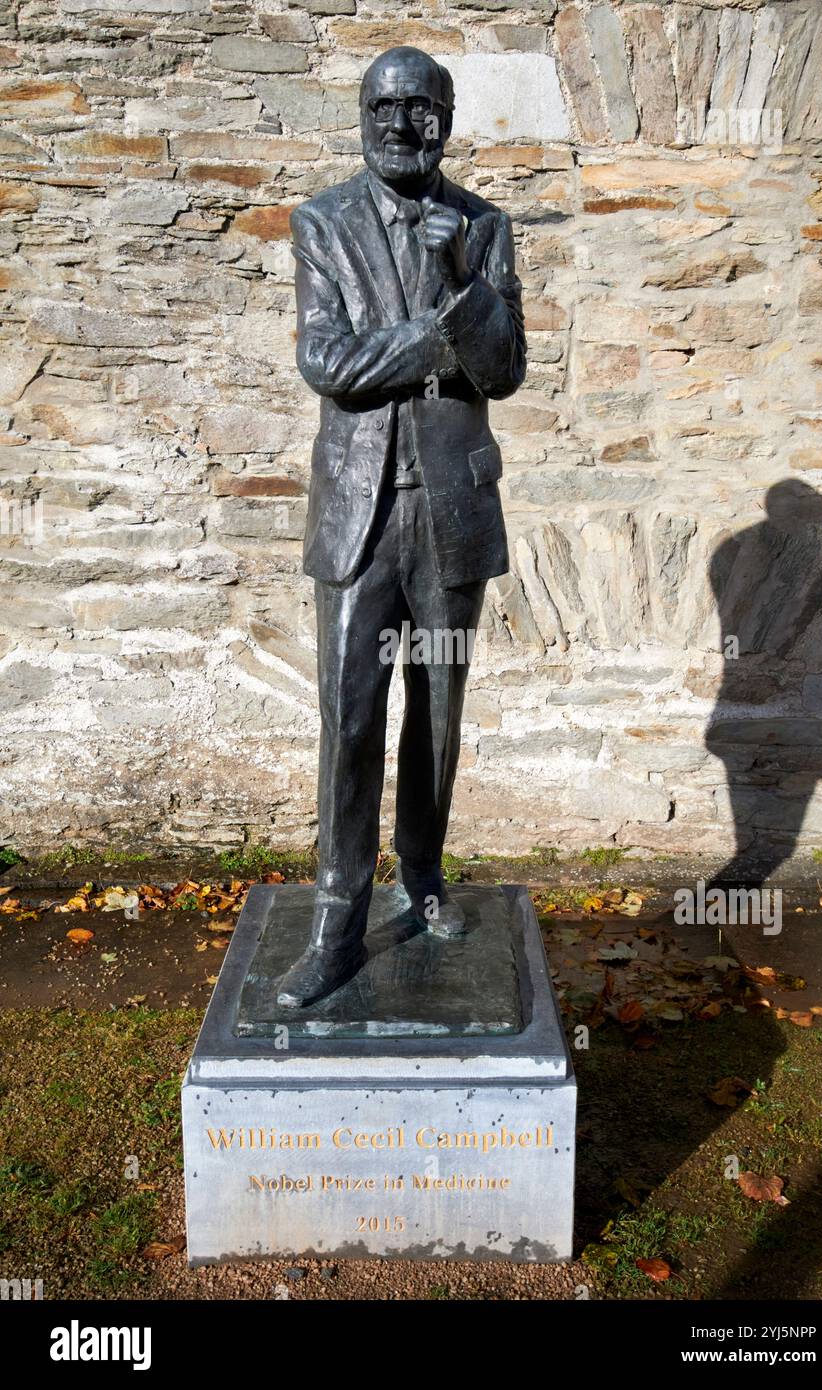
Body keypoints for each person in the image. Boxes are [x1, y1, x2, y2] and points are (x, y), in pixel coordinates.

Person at [277, 46, 526, 1006]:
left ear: (447, 120)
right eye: (386, 107)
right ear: (362, 116)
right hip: (360, 511)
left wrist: (457, 286)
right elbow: (330, 364)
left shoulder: (483, 226)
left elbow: (502, 370)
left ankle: (422, 875)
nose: (403, 124)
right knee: (350, 715)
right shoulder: (322, 223)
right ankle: (338, 918)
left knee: (439, 712)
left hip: (451, 509)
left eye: (422, 108)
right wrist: (429, 343)